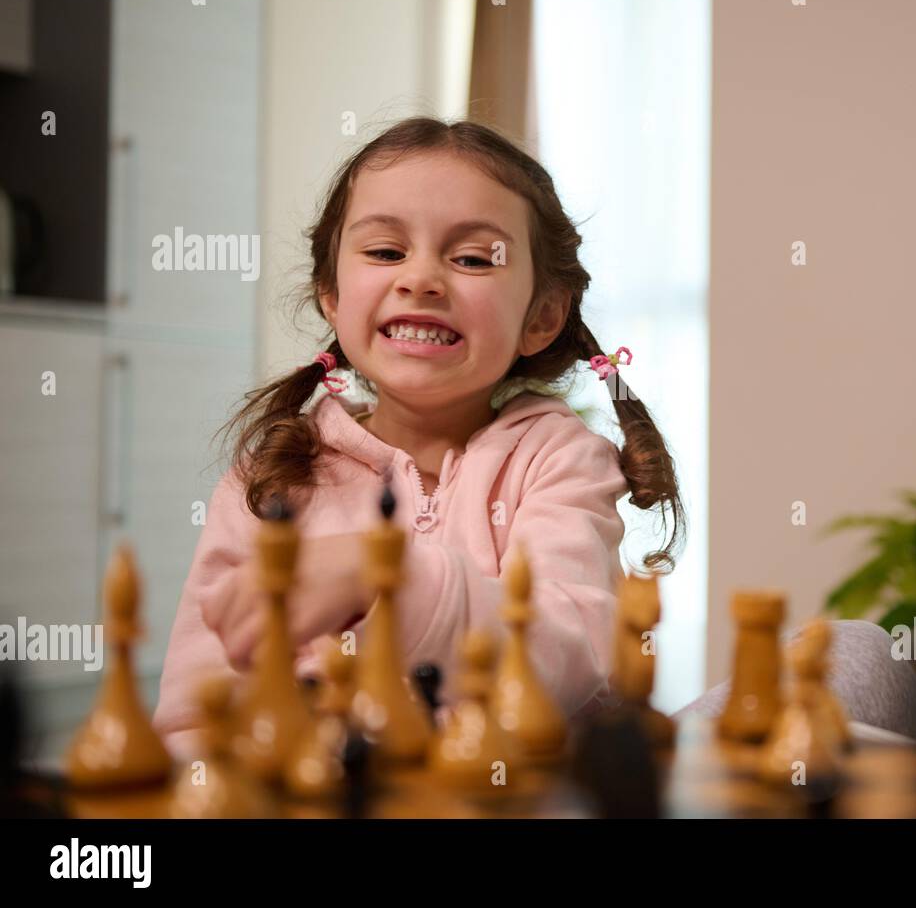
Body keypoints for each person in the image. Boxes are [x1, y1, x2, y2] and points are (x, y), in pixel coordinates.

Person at [153, 117, 684, 757]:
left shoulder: (559, 461)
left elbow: (572, 657)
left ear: (542, 315)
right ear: (331, 292)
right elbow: (193, 719)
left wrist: (387, 577)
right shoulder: (271, 478)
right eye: (384, 252)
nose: (422, 279)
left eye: (471, 259)